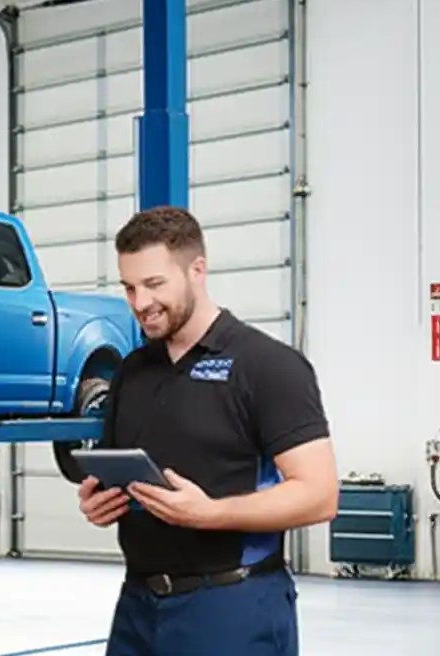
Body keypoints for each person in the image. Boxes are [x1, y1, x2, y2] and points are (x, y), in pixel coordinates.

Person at [77, 206, 339, 656]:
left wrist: (209, 513)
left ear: (197, 270)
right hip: (138, 607)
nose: (140, 303)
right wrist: (100, 501)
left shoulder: (267, 366)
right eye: (129, 287)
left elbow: (319, 494)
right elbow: (124, 475)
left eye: (155, 284)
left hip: (232, 607)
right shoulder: (133, 372)